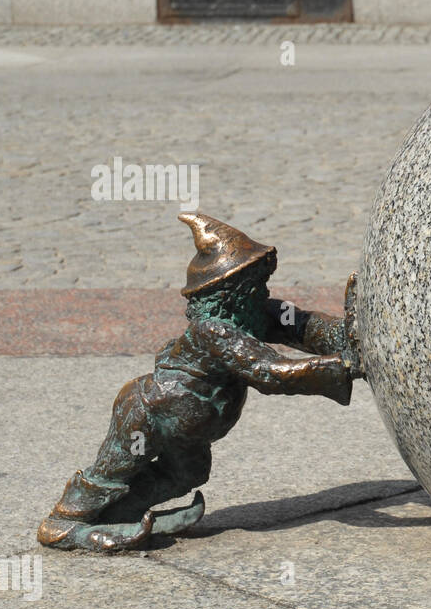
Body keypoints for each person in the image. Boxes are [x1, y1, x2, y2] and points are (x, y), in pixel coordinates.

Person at [38, 213, 361, 552]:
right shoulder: (214, 330)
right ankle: (63, 525)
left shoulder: (252, 313)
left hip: (189, 430)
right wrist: (345, 367)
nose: (264, 291)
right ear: (228, 292)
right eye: (255, 284)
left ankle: (121, 511)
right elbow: (270, 372)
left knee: (186, 475)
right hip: (149, 414)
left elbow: (303, 326)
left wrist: (348, 333)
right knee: (109, 474)